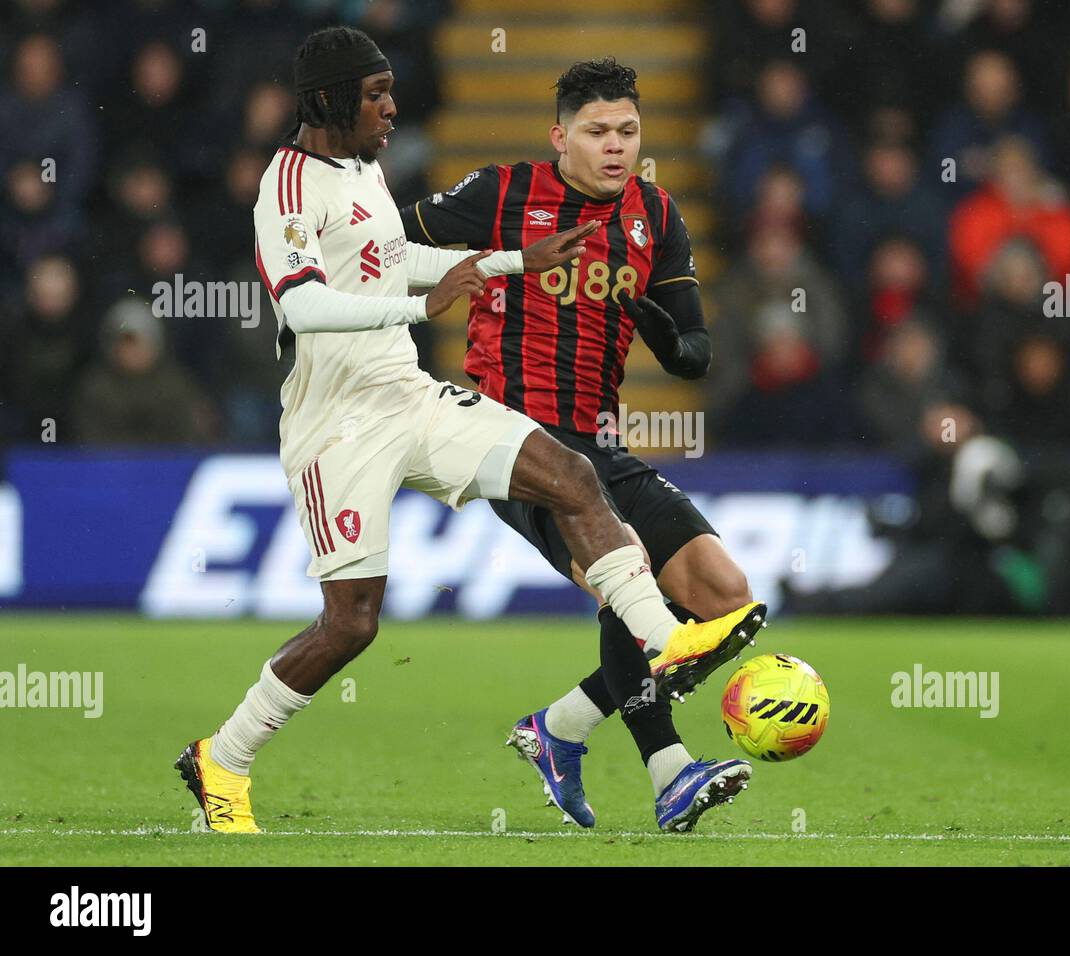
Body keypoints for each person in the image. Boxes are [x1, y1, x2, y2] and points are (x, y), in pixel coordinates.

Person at [177, 30, 764, 836]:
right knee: (351, 623)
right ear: (329, 101)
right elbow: (303, 306)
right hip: (336, 423)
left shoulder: (363, 172)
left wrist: (510, 263)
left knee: (570, 476)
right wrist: (427, 305)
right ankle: (225, 755)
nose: (392, 108)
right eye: (377, 94)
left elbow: (393, 256)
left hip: (407, 393)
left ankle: (666, 644)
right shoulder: (285, 186)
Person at [400, 57, 766, 832]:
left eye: (628, 131)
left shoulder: (656, 216)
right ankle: (671, 773)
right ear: (559, 136)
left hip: (599, 444)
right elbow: (390, 243)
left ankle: (561, 727)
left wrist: (676, 341)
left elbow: (693, 352)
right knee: (627, 577)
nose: (615, 146)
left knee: (726, 599)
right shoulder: (501, 193)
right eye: (597, 131)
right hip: (512, 445)